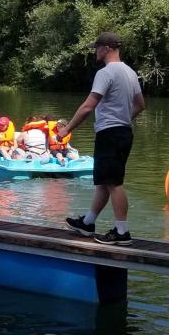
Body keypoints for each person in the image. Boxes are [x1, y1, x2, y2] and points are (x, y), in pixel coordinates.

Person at [62, 32, 145, 245]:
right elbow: (140, 104)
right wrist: (124, 118)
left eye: (97, 47)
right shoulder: (130, 72)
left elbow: (89, 106)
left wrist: (68, 129)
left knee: (114, 183)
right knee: (104, 181)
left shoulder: (106, 73)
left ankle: (122, 232)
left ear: (106, 48)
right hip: (123, 132)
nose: (95, 51)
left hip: (110, 133)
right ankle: (88, 223)